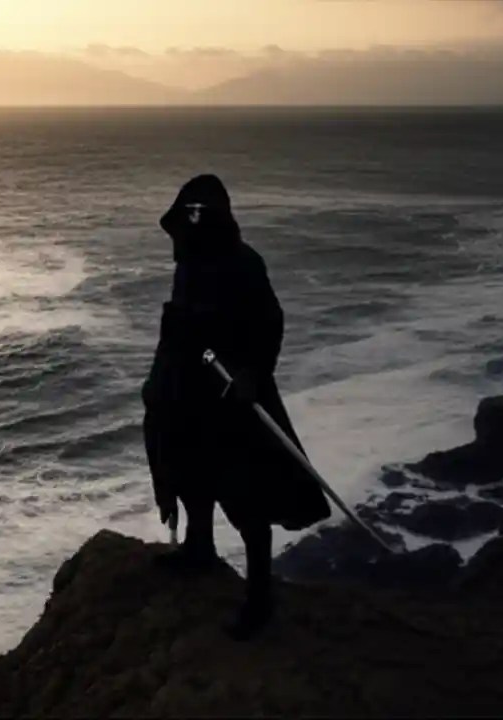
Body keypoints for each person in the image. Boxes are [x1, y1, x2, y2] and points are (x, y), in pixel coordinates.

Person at [142, 174, 331, 640]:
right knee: (188, 473)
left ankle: (259, 598)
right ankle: (199, 548)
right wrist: (158, 382)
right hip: (185, 390)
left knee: (245, 494)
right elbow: (178, 328)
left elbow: (270, 322)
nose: (190, 228)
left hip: (230, 396)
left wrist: (251, 373)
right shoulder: (188, 263)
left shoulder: (245, 264)